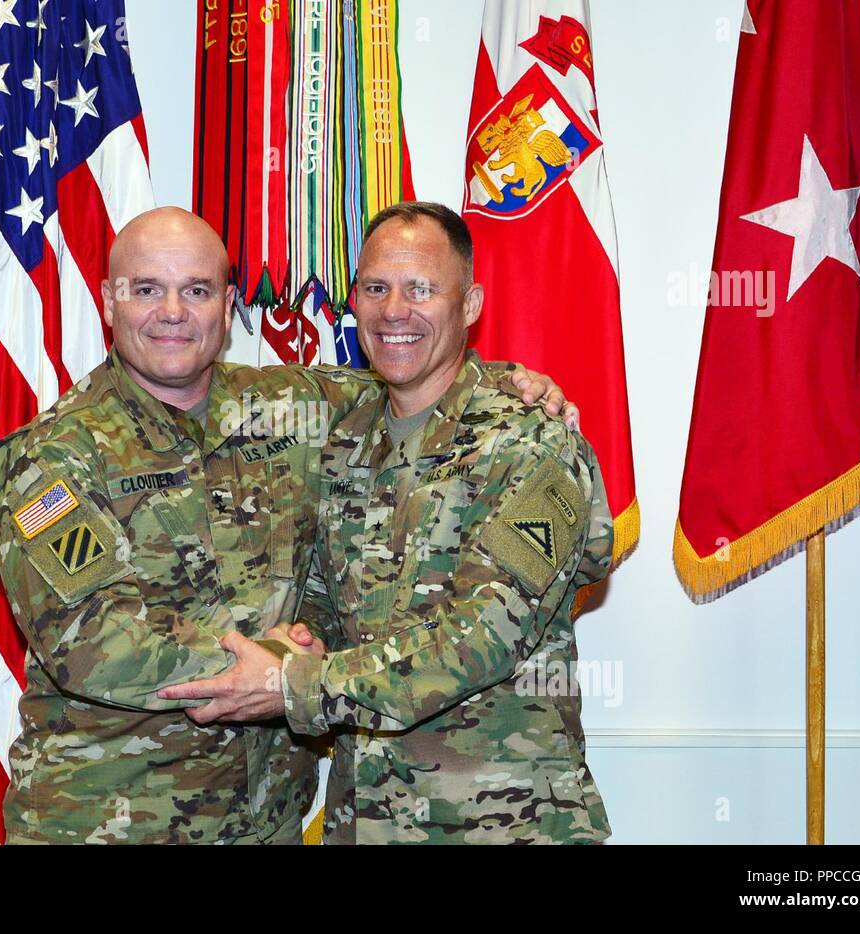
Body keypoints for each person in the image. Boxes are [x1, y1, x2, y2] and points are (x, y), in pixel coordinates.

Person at [160, 202, 612, 844]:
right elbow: (322, 602)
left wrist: (293, 684)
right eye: (376, 288)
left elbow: (481, 638)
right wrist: (285, 646)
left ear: (472, 303)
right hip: (366, 821)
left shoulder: (531, 444)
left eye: (421, 288)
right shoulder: (345, 439)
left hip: (501, 824)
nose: (395, 309)